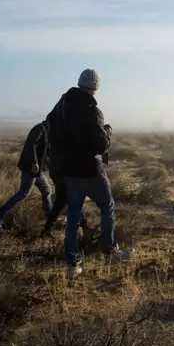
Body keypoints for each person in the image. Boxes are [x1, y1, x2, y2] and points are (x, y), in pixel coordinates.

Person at [46, 68, 132, 279]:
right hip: (91, 172)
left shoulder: (61, 106)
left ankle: (73, 261)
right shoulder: (92, 110)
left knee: (74, 213)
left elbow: (50, 129)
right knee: (107, 206)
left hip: (68, 171)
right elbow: (101, 145)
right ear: (95, 87)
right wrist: (108, 132)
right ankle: (109, 250)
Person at [0, 121, 53, 233]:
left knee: (47, 190)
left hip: (38, 171)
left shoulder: (49, 132)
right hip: (31, 168)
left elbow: (46, 152)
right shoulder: (40, 128)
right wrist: (34, 162)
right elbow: (31, 143)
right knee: (23, 194)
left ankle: (51, 220)